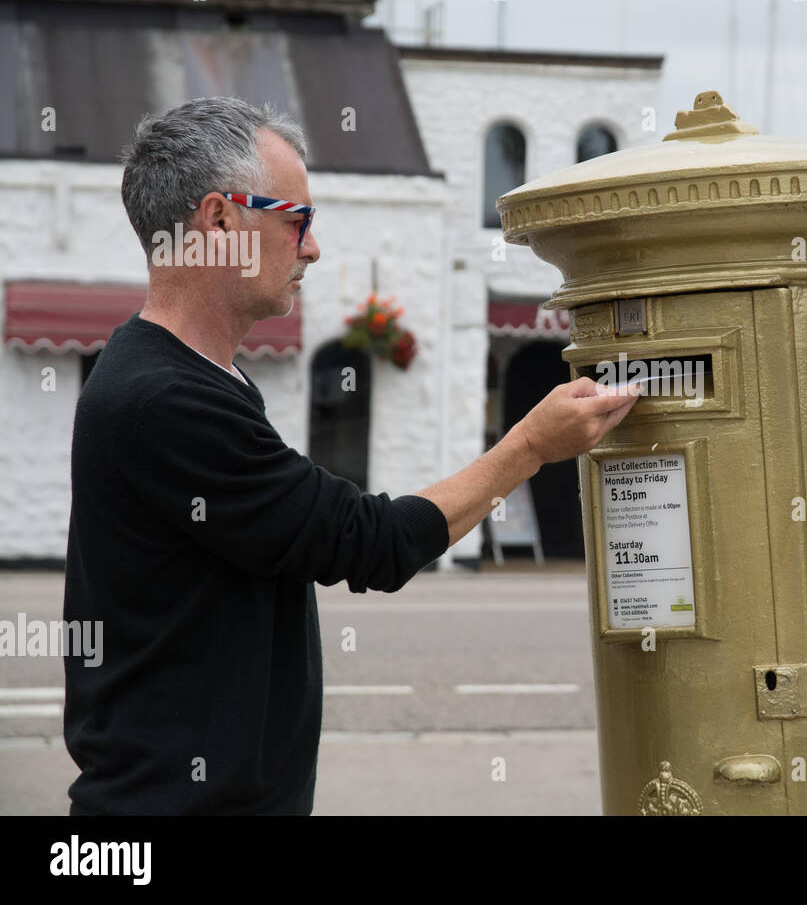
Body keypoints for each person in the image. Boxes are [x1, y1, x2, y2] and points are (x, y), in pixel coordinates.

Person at [62, 96, 640, 814]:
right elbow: (372, 543)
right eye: (295, 220)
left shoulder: (182, 374)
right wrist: (529, 446)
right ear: (218, 221)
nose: (311, 248)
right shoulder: (164, 400)